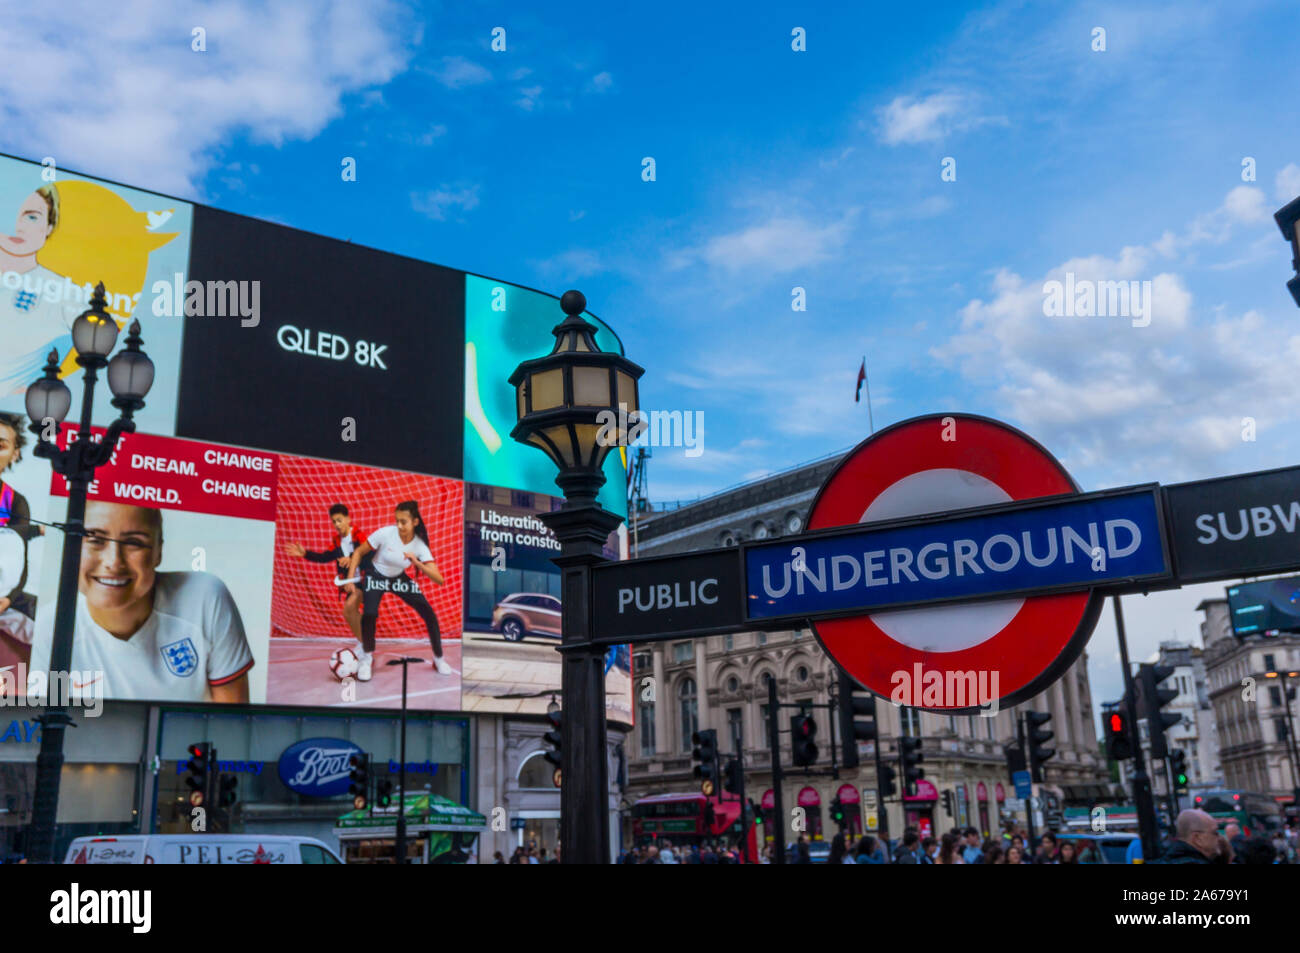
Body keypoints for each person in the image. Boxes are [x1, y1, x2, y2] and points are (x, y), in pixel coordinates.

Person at [28, 501, 252, 702]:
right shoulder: (52, 626)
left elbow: (232, 726)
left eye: (134, 542)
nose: (114, 562)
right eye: (95, 540)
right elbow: (43, 734)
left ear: (158, 552)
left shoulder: (205, 596)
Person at [345, 501, 450, 681]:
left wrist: (416, 563)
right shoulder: (385, 533)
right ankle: (366, 657)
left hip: (398, 578)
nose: (399, 525)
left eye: (404, 522)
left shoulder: (419, 546)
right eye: (397, 521)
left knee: (429, 614)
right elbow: (358, 553)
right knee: (370, 613)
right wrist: (349, 578)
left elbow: (439, 579)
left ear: (415, 522)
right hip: (376, 575)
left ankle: (438, 658)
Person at [0, 185, 81, 396]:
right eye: (6, 211)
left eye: (31, 217)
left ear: (50, 227)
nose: (17, 226)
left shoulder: (67, 296)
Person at [284, 503, 371, 644]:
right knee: (349, 612)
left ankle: (366, 644)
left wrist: (352, 558)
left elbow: (371, 555)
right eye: (334, 521)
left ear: (348, 519)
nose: (337, 524)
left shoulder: (358, 536)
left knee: (349, 608)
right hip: (350, 583)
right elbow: (324, 557)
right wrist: (305, 553)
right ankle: (365, 642)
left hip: (365, 581)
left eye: (340, 520)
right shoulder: (337, 542)